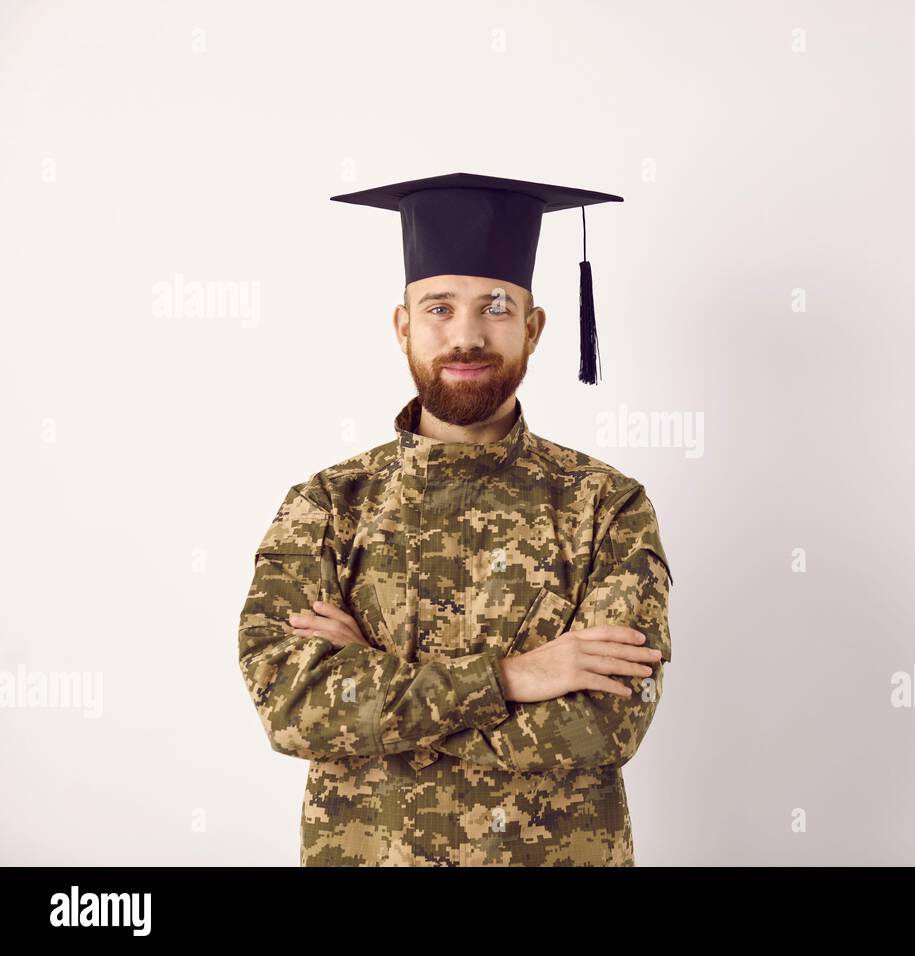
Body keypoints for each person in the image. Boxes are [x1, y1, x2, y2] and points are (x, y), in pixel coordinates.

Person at [236, 173, 673, 866]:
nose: (466, 335)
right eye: (439, 308)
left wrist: (376, 683)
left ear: (533, 326)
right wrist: (513, 679)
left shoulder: (606, 506)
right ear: (403, 325)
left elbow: (602, 725)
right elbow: (294, 708)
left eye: (496, 306)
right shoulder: (326, 506)